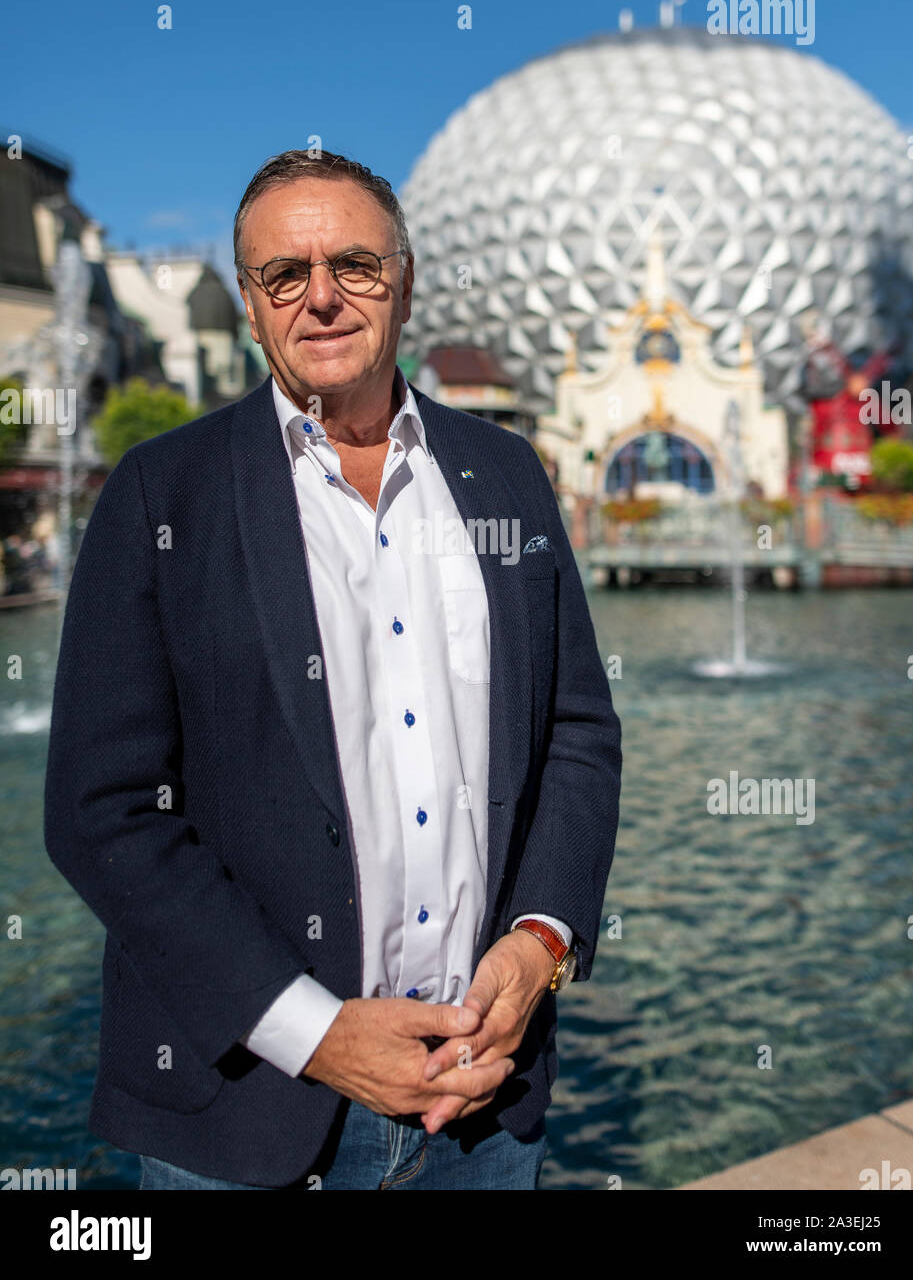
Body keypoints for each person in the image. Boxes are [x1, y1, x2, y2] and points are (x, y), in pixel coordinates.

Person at [44, 148, 622, 1190]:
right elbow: (101, 809)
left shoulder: (505, 476)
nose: (320, 298)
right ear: (252, 307)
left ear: (403, 280)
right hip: (249, 1119)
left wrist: (540, 940)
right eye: (282, 275)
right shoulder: (157, 495)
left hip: (481, 1103)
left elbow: (576, 729)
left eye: (353, 264)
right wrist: (313, 1032)